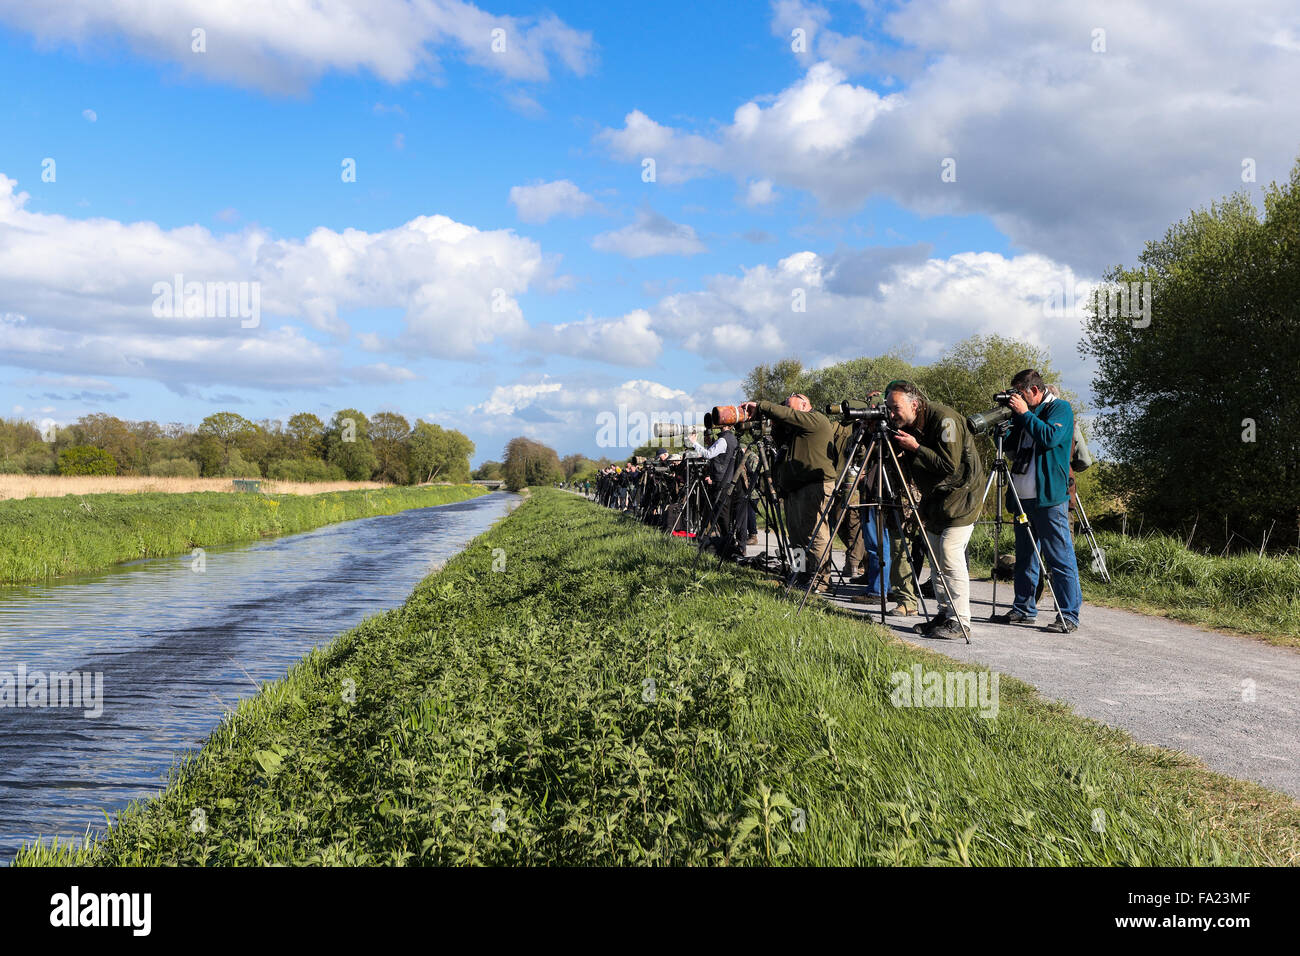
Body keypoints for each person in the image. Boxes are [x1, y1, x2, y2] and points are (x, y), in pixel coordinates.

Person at [884, 380, 984, 639]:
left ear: (914, 404)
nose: (892, 414)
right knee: (936, 558)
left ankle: (960, 621)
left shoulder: (945, 419)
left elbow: (948, 465)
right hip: (936, 499)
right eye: (889, 409)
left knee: (950, 556)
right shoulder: (909, 423)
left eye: (896, 408)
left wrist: (915, 448)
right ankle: (944, 614)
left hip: (961, 497)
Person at [991, 369, 1083, 633]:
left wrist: (1024, 413)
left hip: (1049, 499)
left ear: (1033, 390)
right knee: (1026, 556)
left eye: (1019, 393)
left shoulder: (1060, 409)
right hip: (1022, 497)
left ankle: (1068, 614)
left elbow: (1049, 438)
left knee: (1060, 557)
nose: (1016, 398)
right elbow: (1011, 448)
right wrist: (1002, 429)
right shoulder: (1024, 413)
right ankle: (1024, 608)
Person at [740, 395, 840, 589]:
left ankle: (820, 579)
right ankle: (800, 573)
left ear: (804, 404)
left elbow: (788, 415)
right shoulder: (796, 429)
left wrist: (761, 406)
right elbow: (780, 436)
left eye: (789, 405)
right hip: (795, 487)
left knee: (815, 533)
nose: (785, 408)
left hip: (815, 484)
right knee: (796, 536)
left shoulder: (815, 419)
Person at [688, 421, 741, 556]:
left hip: (722, 482)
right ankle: (720, 543)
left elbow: (708, 454)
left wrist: (694, 442)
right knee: (717, 512)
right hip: (726, 480)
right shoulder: (732, 438)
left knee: (722, 515)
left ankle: (728, 546)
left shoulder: (723, 440)